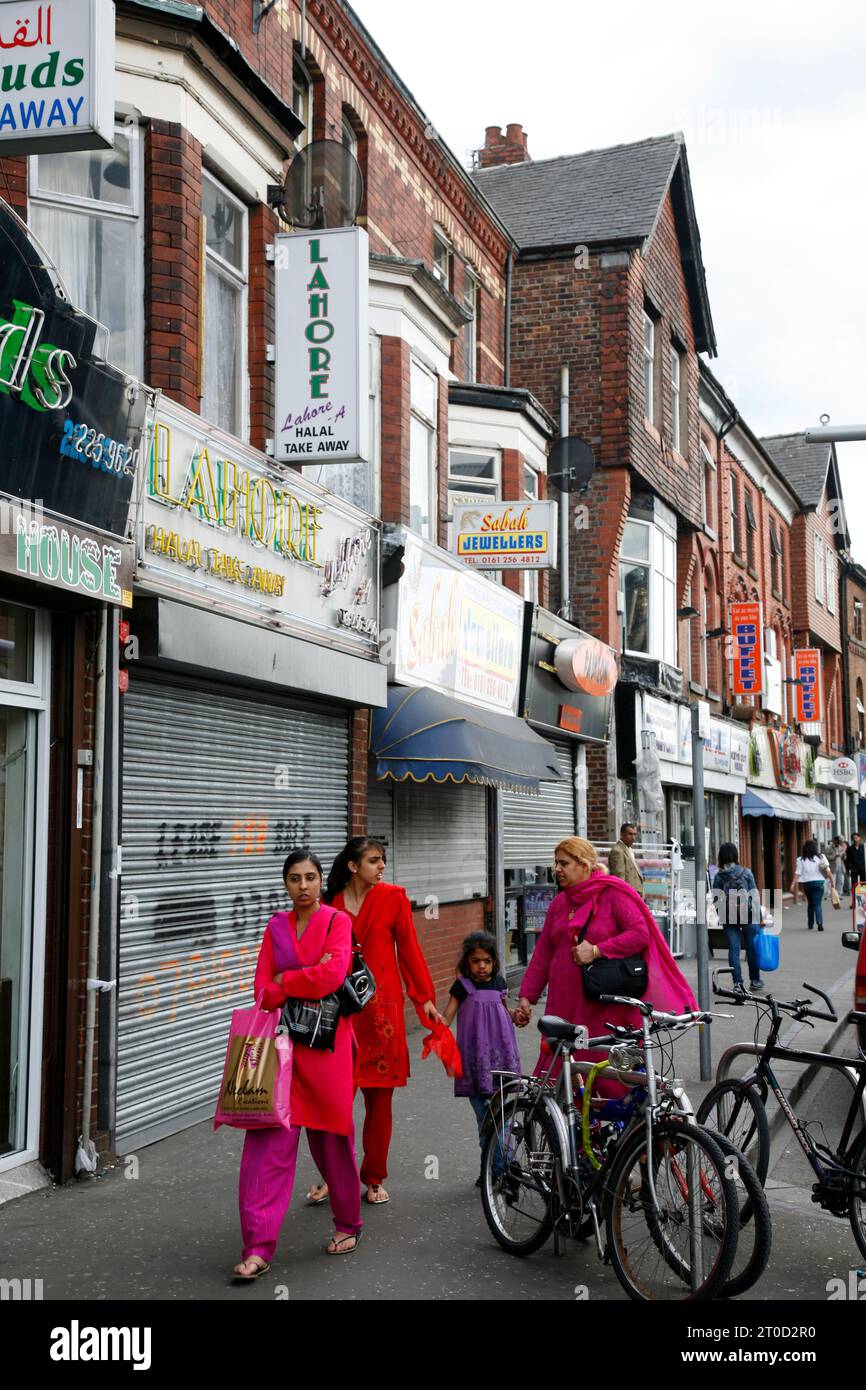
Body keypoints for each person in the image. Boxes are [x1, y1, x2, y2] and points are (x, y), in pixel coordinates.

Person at [233, 850, 362, 1281]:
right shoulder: (274, 928)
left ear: (321, 880)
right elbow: (260, 988)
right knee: (266, 1148)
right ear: (285, 884)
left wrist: (287, 981)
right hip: (283, 1050)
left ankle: (348, 1223)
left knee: (332, 1141)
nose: (303, 886)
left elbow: (332, 974)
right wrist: (294, 981)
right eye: (294, 878)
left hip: (329, 1049)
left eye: (310, 877)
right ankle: (257, 1246)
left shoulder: (337, 922)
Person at [307, 836, 439, 1208]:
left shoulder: (393, 897)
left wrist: (424, 998)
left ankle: (374, 1176)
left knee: (379, 1102)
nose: (382, 867)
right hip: (340, 1016)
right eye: (374, 860)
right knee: (334, 1101)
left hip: (382, 1015)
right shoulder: (328, 903)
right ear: (353, 866)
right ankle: (335, 1175)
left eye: (382, 860)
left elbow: (409, 949)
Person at [514, 838, 696, 1088]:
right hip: (563, 1002)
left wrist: (598, 950)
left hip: (601, 1003)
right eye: (556, 863)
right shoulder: (559, 903)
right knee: (562, 1075)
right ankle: (567, 1125)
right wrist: (526, 997)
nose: (557, 869)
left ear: (585, 865)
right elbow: (544, 953)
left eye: (564, 863)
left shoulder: (613, 894)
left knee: (603, 1073)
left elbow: (640, 934)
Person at [440, 931, 525, 1185]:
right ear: (467, 962)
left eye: (487, 961)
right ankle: (498, 1167)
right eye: (476, 961)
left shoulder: (499, 982)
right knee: (485, 1119)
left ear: (494, 962)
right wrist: (435, 1023)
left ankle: (496, 1169)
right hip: (475, 1062)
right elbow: (447, 1018)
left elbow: (503, 1010)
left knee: (501, 1117)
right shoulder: (462, 986)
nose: (481, 966)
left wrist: (515, 1015)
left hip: (501, 1060)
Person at [712, 842, 763, 991]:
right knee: (751, 948)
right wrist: (759, 916)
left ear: (721, 856)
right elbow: (754, 895)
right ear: (736, 855)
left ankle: (737, 982)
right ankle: (755, 980)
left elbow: (716, 898)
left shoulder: (719, 876)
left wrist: (721, 914)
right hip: (748, 915)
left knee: (734, 949)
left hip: (729, 917)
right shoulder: (746, 872)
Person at [790, 838, 832, 931]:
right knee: (817, 904)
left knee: (810, 903)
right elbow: (828, 870)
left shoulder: (801, 859)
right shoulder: (821, 857)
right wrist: (832, 882)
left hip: (807, 884)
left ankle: (810, 923)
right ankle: (819, 922)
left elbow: (798, 873)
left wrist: (793, 884)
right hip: (819, 883)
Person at [607, 821, 644, 894]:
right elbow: (619, 878)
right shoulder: (618, 851)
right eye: (630, 834)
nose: (633, 837)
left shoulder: (628, 849)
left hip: (634, 893)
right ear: (622, 834)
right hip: (627, 894)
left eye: (634, 834)